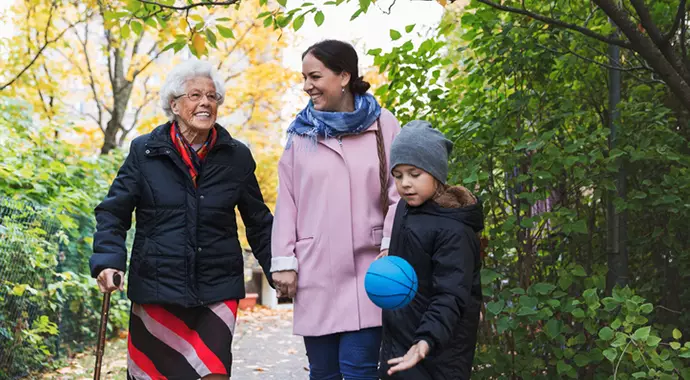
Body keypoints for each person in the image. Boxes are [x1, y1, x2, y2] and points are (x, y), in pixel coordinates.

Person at [89, 59, 274, 380]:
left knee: (212, 371)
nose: (205, 102)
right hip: (158, 288)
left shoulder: (237, 156)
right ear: (174, 105)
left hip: (216, 288)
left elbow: (258, 221)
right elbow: (113, 212)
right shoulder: (145, 151)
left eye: (212, 97)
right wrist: (108, 260)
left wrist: (278, 269)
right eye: (195, 96)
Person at [270, 39, 401, 379]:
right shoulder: (301, 134)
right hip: (316, 270)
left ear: (344, 76)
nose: (306, 86)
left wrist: (390, 245)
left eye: (314, 76)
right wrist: (284, 261)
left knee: (359, 370)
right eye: (303, 78)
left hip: (370, 269)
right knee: (323, 372)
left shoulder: (383, 125)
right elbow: (288, 202)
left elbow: (398, 191)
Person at [378, 120, 484, 380]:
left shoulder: (454, 228)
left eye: (415, 174)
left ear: (436, 173)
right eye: (398, 175)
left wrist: (426, 340)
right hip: (401, 338)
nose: (405, 183)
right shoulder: (405, 209)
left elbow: (451, 295)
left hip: (439, 349)